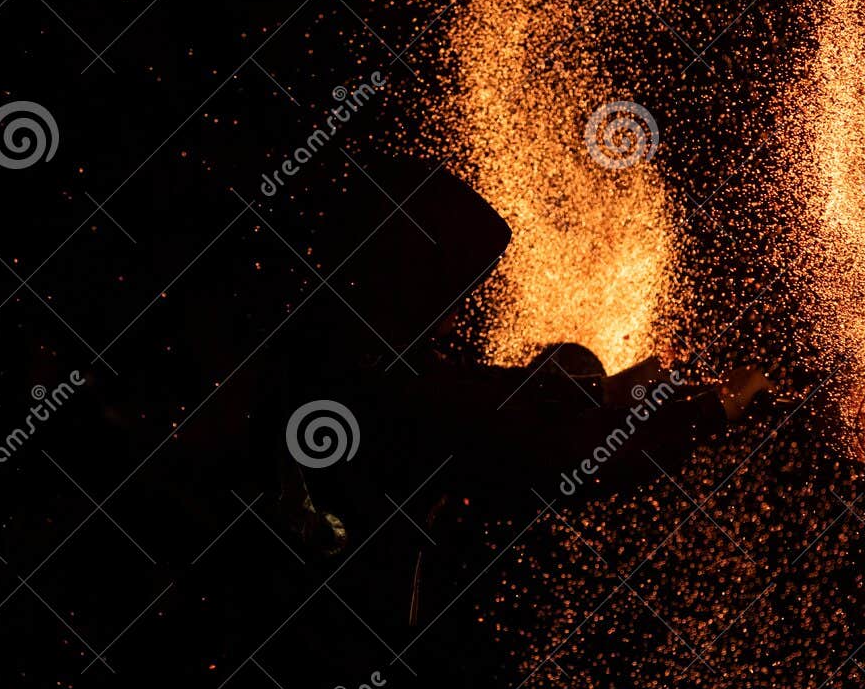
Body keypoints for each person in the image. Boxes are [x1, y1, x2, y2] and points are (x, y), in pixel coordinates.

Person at [263, 155, 776, 554]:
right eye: (450, 295)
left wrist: (605, 390)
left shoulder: (342, 355)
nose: (456, 317)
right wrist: (711, 410)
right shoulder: (382, 388)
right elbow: (549, 448)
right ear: (409, 276)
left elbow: (493, 395)